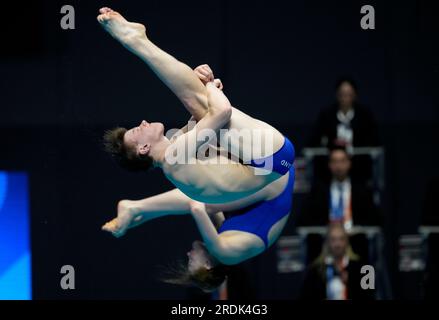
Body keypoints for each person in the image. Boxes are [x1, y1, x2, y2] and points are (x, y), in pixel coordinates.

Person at [97, 8, 295, 291]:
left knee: (199, 103)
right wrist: (211, 86)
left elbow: (208, 122)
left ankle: (138, 40)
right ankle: (136, 40)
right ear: (142, 148)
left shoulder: (175, 152)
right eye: (136, 131)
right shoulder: (173, 157)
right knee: (199, 100)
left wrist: (209, 86)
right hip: (270, 161)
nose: (141, 122)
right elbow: (221, 112)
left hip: (268, 168)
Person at [299, 146, 380, 229]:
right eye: (334, 161)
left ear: (349, 163)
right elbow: (305, 219)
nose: (338, 166)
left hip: (355, 236)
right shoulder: (318, 190)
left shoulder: (362, 190)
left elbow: (375, 219)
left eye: (342, 161)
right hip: (328, 237)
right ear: (329, 164)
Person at [300, 223, 375, 300]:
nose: (337, 244)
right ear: (327, 242)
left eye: (341, 239)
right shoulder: (314, 270)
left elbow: (371, 295)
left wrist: (351, 281)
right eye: (333, 239)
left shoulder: (363, 268)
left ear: (347, 242)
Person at [310, 77, 379, 148]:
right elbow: (316, 140)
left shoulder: (365, 115)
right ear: (337, 95)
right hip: (333, 156)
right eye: (342, 94)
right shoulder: (326, 115)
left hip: (358, 156)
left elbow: (373, 141)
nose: (345, 98)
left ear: (355, 95)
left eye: (349, 94)